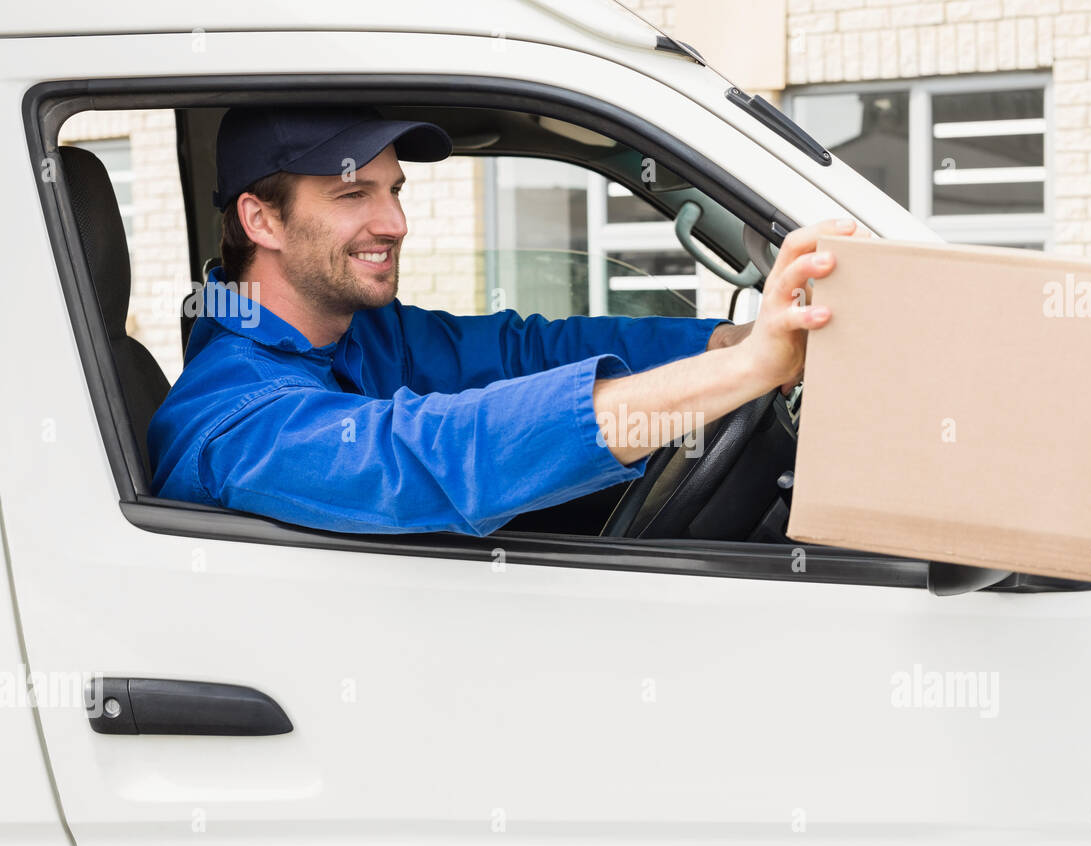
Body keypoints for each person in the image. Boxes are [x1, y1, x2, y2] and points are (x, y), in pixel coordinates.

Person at [148, 106, 857, 535]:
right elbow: (431, 455)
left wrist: (727, 341)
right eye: (351, 193)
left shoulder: (358, 333)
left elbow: (526, 351)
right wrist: (744, 370)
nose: (393, 222)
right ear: (260, 218)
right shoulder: (232, 420)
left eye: (393, 190)